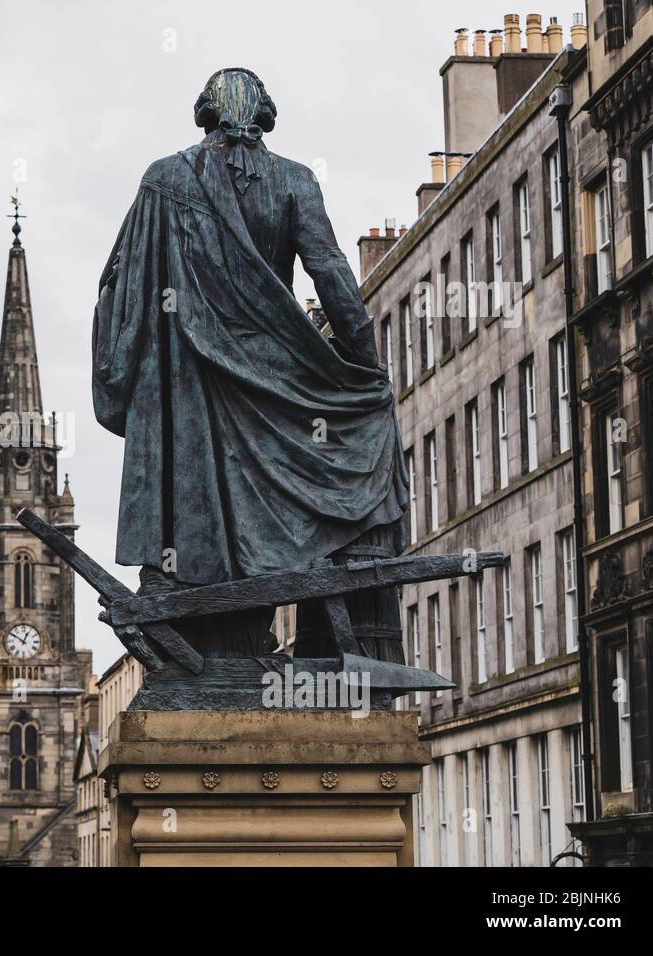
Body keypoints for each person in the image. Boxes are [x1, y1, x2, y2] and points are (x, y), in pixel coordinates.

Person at [93, 67, 408, 658]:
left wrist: (132, 367)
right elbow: (332, 275)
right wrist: (366, 369)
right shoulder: (294, 180)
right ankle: (318, 628)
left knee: (197, 492)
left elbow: (120, 287)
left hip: (188, 377)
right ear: (263, 114)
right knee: (368, 422)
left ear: (205, 113)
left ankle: (216, 611)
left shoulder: (163, 179)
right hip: (273, 373)